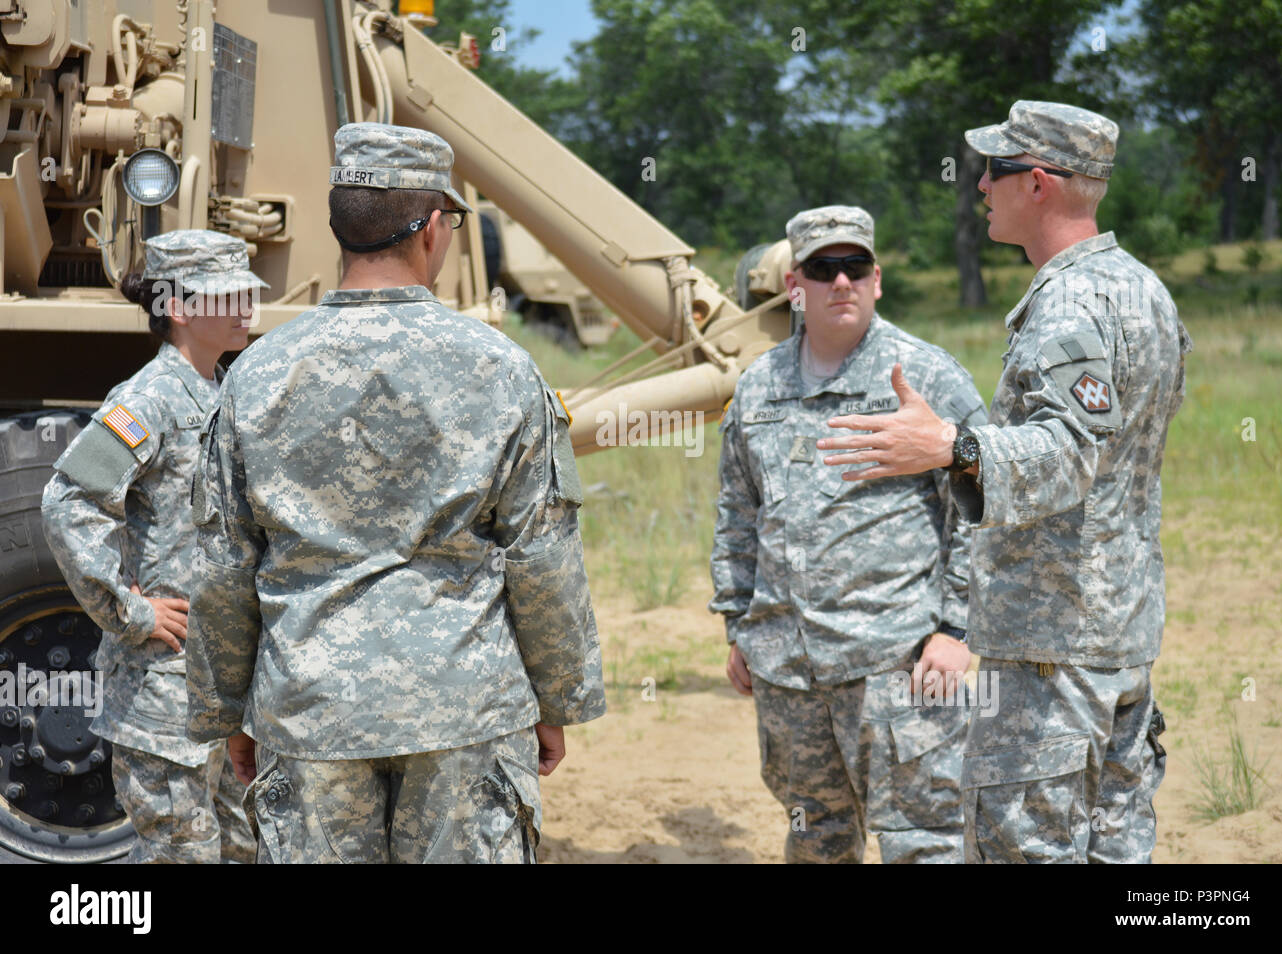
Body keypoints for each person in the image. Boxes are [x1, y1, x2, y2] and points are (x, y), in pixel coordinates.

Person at [184, 121, 606, 864]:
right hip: (464, 709)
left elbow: (224, 565)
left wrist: (228, 711)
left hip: (309, 715)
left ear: (339, 227)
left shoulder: (253, 375)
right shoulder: (502, 368)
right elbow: (542, 555)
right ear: (434, 229)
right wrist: (557, 699)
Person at [816, 102, 1192, 863]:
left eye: (996, 170)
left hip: (1054, 645)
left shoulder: (1070, 302)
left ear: (1041, 184)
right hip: (1115, 635)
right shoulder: (1142, 287)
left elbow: (1069, 453)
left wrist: (949, 444)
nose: (982, 185)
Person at [710, 206, 988, 863]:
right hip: (788, 674)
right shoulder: (758, 389)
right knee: (814, 835)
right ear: (793, 285)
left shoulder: (926, 378)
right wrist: (738, 625)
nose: (841, 283)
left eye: (855, 267)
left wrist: (957, 629)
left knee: (926, 840)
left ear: (877, 279)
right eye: (822, 268)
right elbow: (738, 512)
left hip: (897, 666)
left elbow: (983, 506)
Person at [41, 229, 264, 863]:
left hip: (221, 687)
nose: (246, 306)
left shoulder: (224, 389)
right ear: (179, 306)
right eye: (228, 294)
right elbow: (70, 502)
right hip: (162, 697)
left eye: (247, 291)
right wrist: (130, 611)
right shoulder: (146, 399)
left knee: (241, 851)